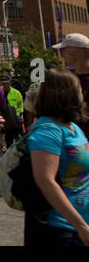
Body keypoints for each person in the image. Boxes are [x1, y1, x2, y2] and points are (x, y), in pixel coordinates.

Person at [25, 67, 89, 246]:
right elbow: (46, 181)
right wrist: (81, 226)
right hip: (65, 229)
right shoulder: (47, 131)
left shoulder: (73, 127)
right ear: (66, 93)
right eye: (78, 89)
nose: (82, 93)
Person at [53, 33, 89, 117]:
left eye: (63, 51)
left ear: (75, 54)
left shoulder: (69, 79)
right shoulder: (67, 78)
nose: (62, 56)